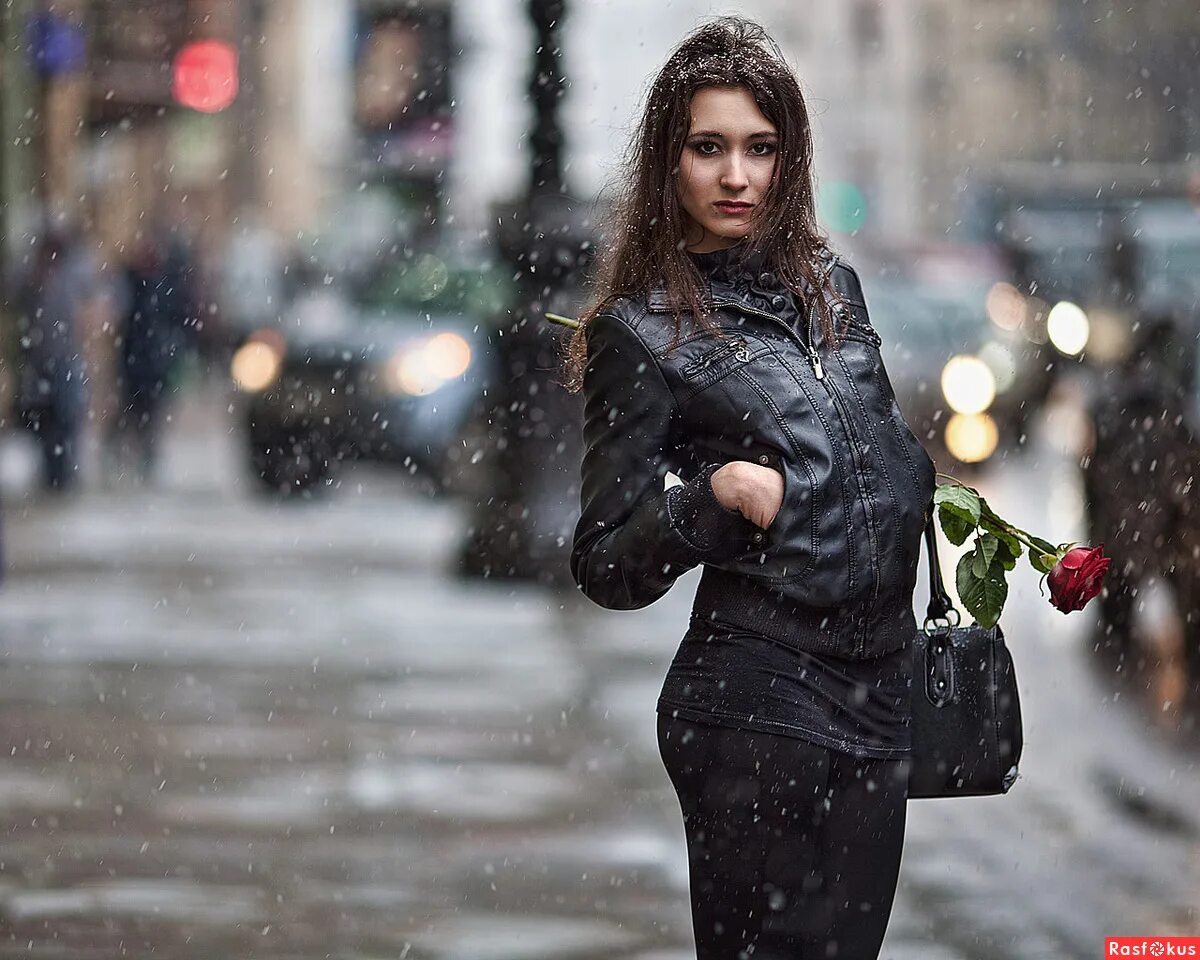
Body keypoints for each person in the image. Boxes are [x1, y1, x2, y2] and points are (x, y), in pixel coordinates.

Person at [564, 17, 937, 960]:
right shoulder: (641, 331)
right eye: (709, 147)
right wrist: (706, 500)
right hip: (755, 705)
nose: (737, 175)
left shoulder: (832, 288)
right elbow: (605, 561)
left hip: (877, 704)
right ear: (669, 162)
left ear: (790, 158)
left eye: (761, 148)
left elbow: (865, 454)